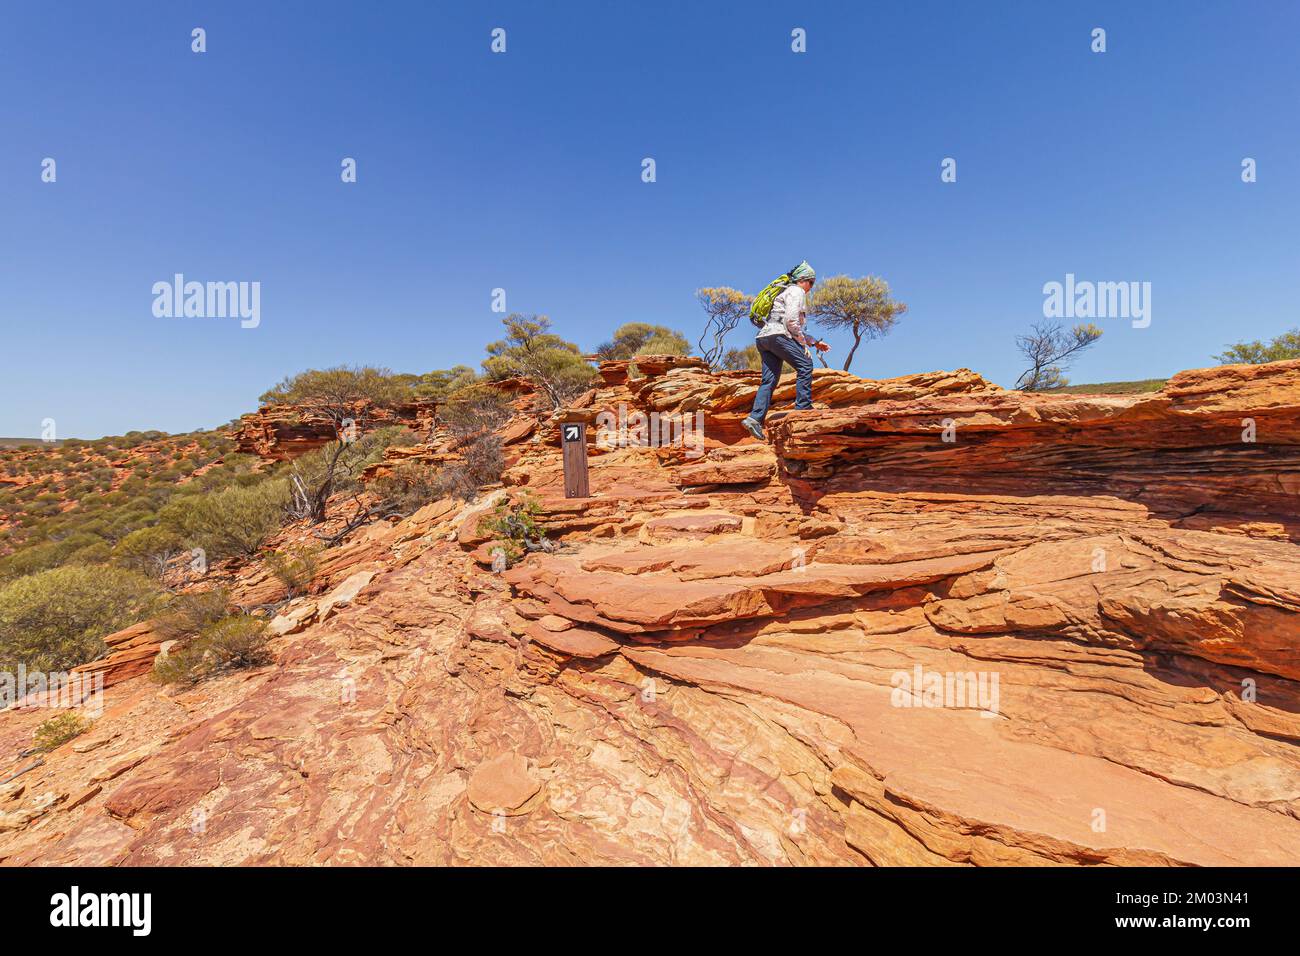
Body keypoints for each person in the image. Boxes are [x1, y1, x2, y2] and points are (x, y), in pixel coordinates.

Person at [741, 261, 830, 441]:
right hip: (777, 336)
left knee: (769, 380)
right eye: (812, 283)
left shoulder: (784, 291)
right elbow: (790, 321)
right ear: (804, 280)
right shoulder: (796, 291)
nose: (811, 287)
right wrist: (803, 345)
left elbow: (787, 323)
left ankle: (754, 418)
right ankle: (803, 408)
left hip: (764, 337)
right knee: (805, 364)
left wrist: (814, 342)